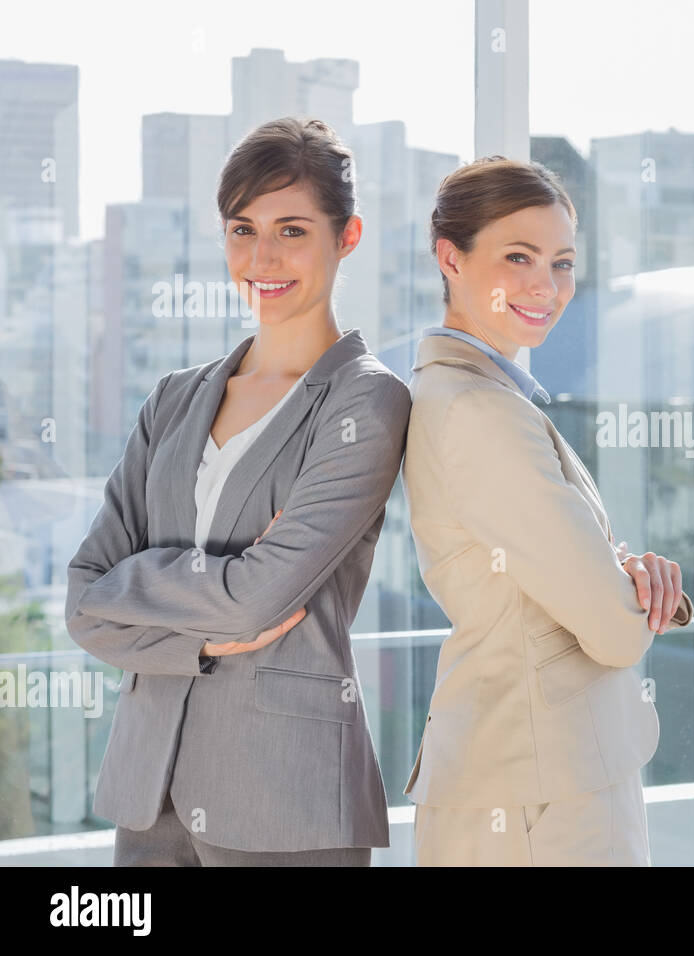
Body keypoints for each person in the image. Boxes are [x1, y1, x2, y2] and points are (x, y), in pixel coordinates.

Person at [64, 117, 411, 866]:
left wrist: (143, 587)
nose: (261, 257)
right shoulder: (174, 399)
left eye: (291, 229)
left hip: (283, 797)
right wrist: (209, 630)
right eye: (241, 229)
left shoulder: (365, 404)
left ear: (346, 237)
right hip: (148, 785)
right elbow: (83, 602)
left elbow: (264, 597)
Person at [402, 156, 693, 866]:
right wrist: (629, 591)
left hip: (531, 780)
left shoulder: (480, 395)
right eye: (518, 257)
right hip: (539, 794)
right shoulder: (479, 410)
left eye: (562, 262)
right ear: (451, 258)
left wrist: (620, 571)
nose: (546, 285)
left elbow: (560, 572)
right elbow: (617, 635)